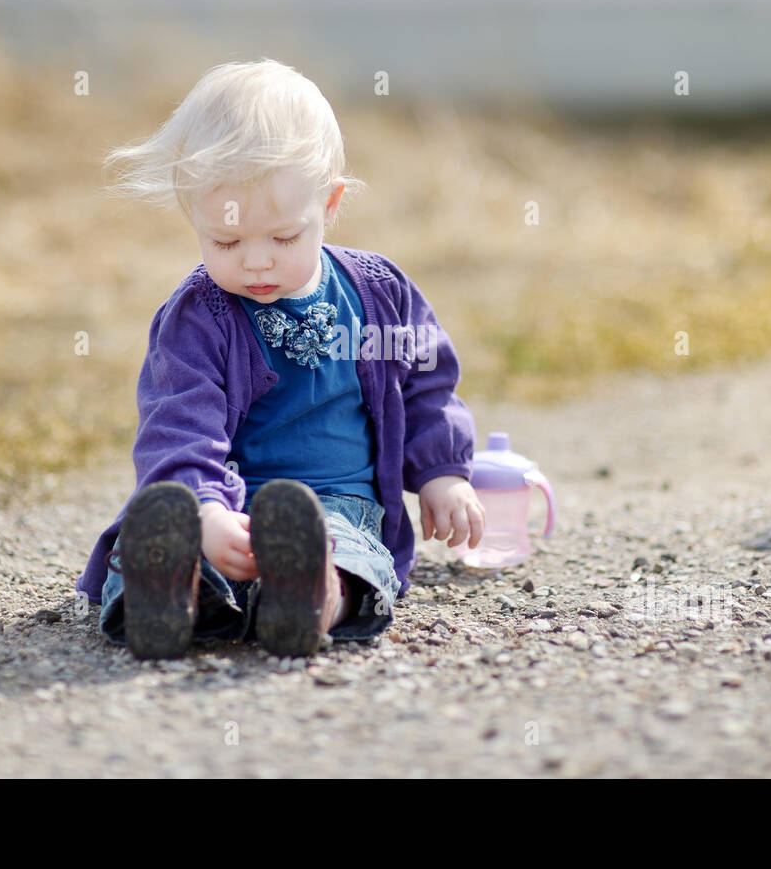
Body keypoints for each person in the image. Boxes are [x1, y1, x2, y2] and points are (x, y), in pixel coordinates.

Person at [75, 58, 485, 659]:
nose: (256, 261)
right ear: (192, 213)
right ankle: (172, 591)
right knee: (167, 535)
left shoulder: (378, 294)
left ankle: (308, 596)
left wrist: (442, 471)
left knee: (343, 555)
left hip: (335, 507)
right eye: (227, 241)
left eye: (284, 238)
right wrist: (206, 512)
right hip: (226, 501)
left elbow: (426, 383)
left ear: (331, 203)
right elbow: (177, 424)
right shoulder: (198, 317)